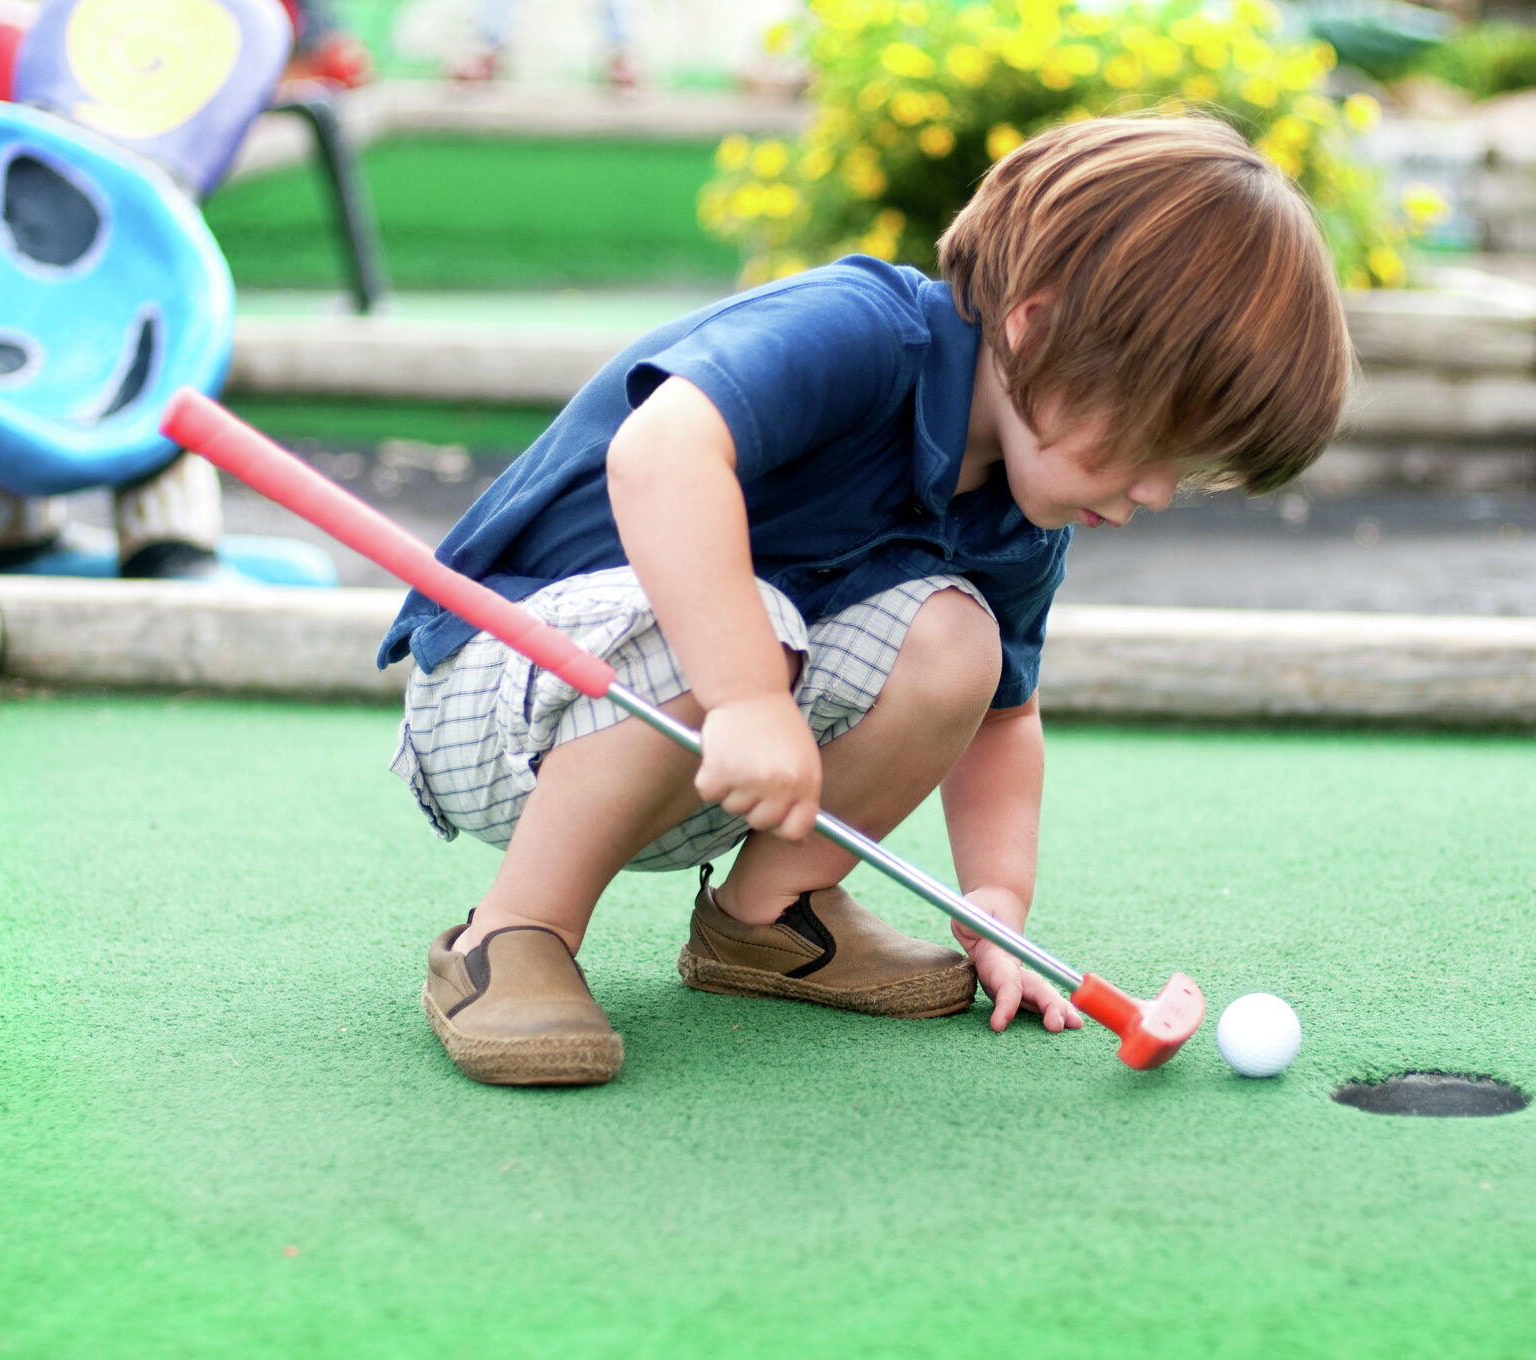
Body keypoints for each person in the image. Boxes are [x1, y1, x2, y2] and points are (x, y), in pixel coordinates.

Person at [381, 114, 1352, 1086]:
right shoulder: (858, 330)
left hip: (709, 754)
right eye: (1152, 443)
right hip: (496, 694)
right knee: (748, 622)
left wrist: (996, 905)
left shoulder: (1019, 519)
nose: (1155, 493)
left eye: (1186, 470)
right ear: (1036, 328)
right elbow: (658, 455)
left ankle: (769, 917)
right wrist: (747, 697)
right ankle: (513, 932)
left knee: (958, 642)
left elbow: (1002, 719)